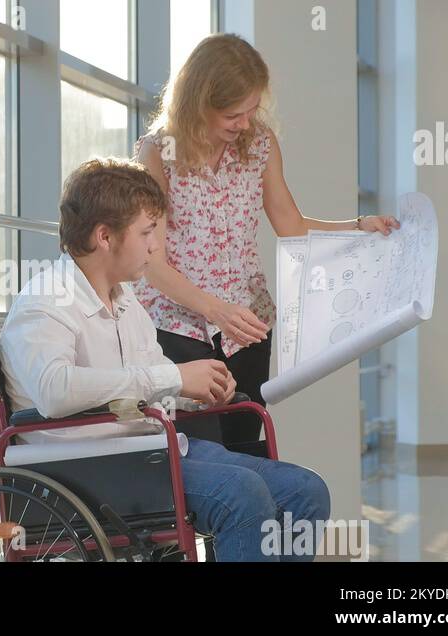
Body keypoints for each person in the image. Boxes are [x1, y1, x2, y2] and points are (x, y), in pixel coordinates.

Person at [0, 157, 330, 561]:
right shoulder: (45, 301)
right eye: (147, 232)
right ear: (105, 236)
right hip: (91, 467)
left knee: (306, 491)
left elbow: (155, 383)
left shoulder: (126, 301)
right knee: (242, 495)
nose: (157, 246)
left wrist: (200, 392)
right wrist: (174, 377)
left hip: (150, 448)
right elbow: (54, 391)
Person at [133, 34, 400, 444]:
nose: (244, 123)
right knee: (193, 459)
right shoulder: (158, 152)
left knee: (243, 448)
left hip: (248, 329)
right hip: (175, 329)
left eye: (252, 110)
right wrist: (216, 310)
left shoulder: (259, 145)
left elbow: (291, 225)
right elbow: (152, 262)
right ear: (200, 103)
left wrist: (358, 226)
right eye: (232, 115)